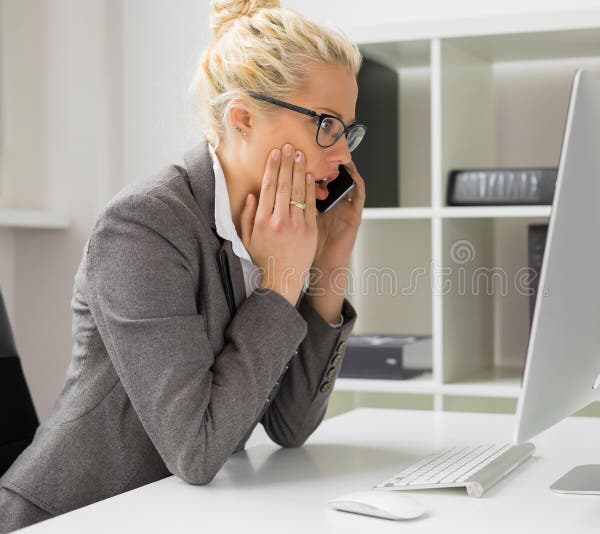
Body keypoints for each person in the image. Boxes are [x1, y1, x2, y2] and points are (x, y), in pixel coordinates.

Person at [0, 1, 365, 530]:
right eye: (326, 126)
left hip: (170, 510)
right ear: (242, 118)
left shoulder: (276, 227)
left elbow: (291, 425)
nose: (341, 158)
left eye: (348, 132)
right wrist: (282, 282)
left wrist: (329, 259)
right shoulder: (142, 225)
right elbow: (197, 450)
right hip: (73, 515)